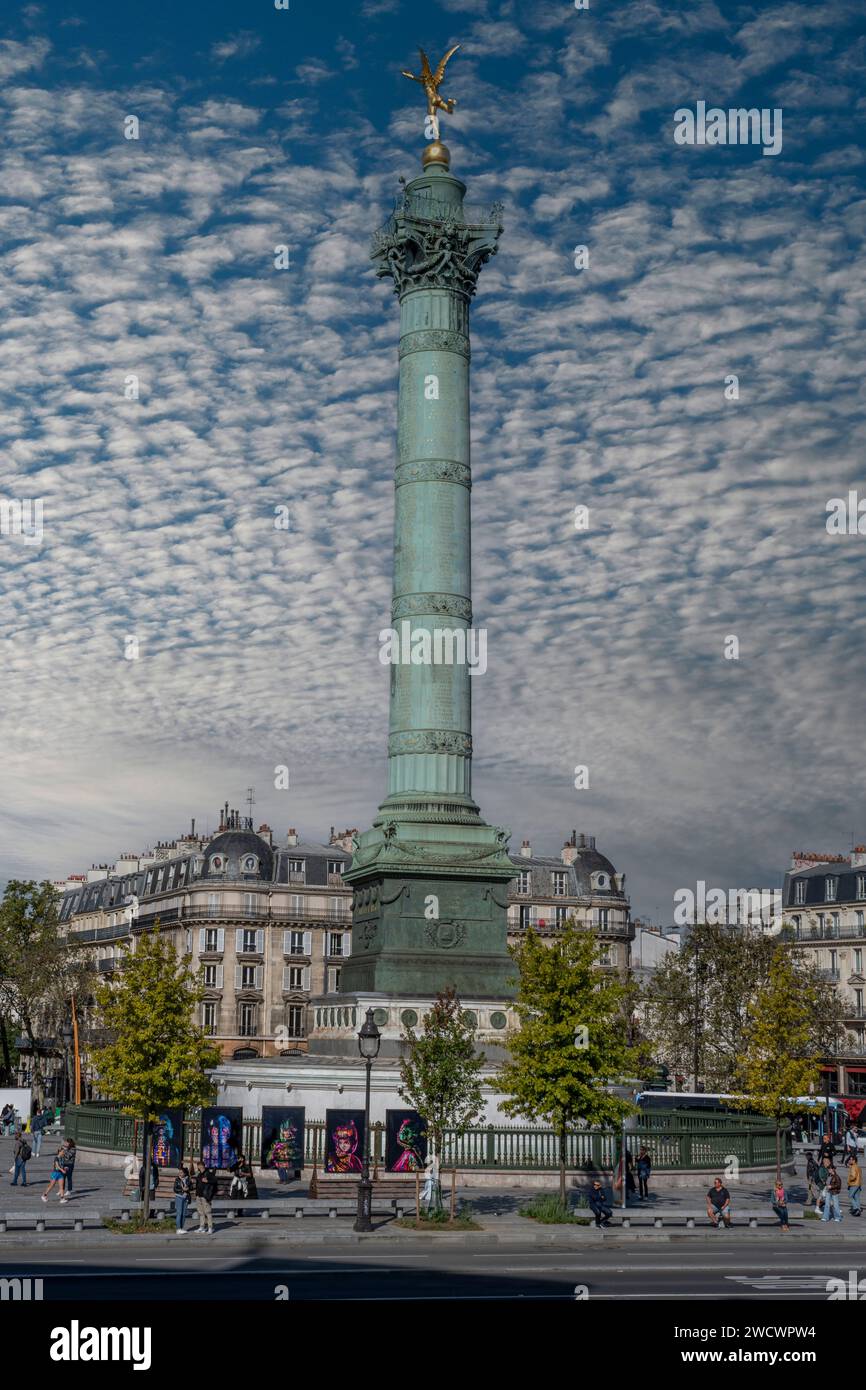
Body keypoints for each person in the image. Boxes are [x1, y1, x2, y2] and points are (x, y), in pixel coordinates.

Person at [194, 1159, 216, 1234]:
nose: (199, 1167)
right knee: (201, 1213)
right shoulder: (199, 1174)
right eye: (198, 1166)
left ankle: (210, 1227)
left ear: (203, 1166)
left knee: (208, 1212)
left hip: (205, 1196)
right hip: (199, 1196)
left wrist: (207, 1181)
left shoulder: (208, 1173)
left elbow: (215, 1181)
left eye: (200, 1166)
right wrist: (196, 1194)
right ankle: (202, 1227)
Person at [174, 1166, 191, 1236]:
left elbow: (192, 1187)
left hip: (186, 1197)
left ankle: (181, 1228)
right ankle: (178, 1229)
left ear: (184, 1173)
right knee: (179, 1213)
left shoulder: (188, 1179)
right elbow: (175, 1189)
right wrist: (182, 1190)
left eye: (181, 1172)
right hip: (179, 1197)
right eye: (179, 1172)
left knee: (184, 1214)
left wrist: (188, 1188)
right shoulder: (177, 1180)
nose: (180, 1173)